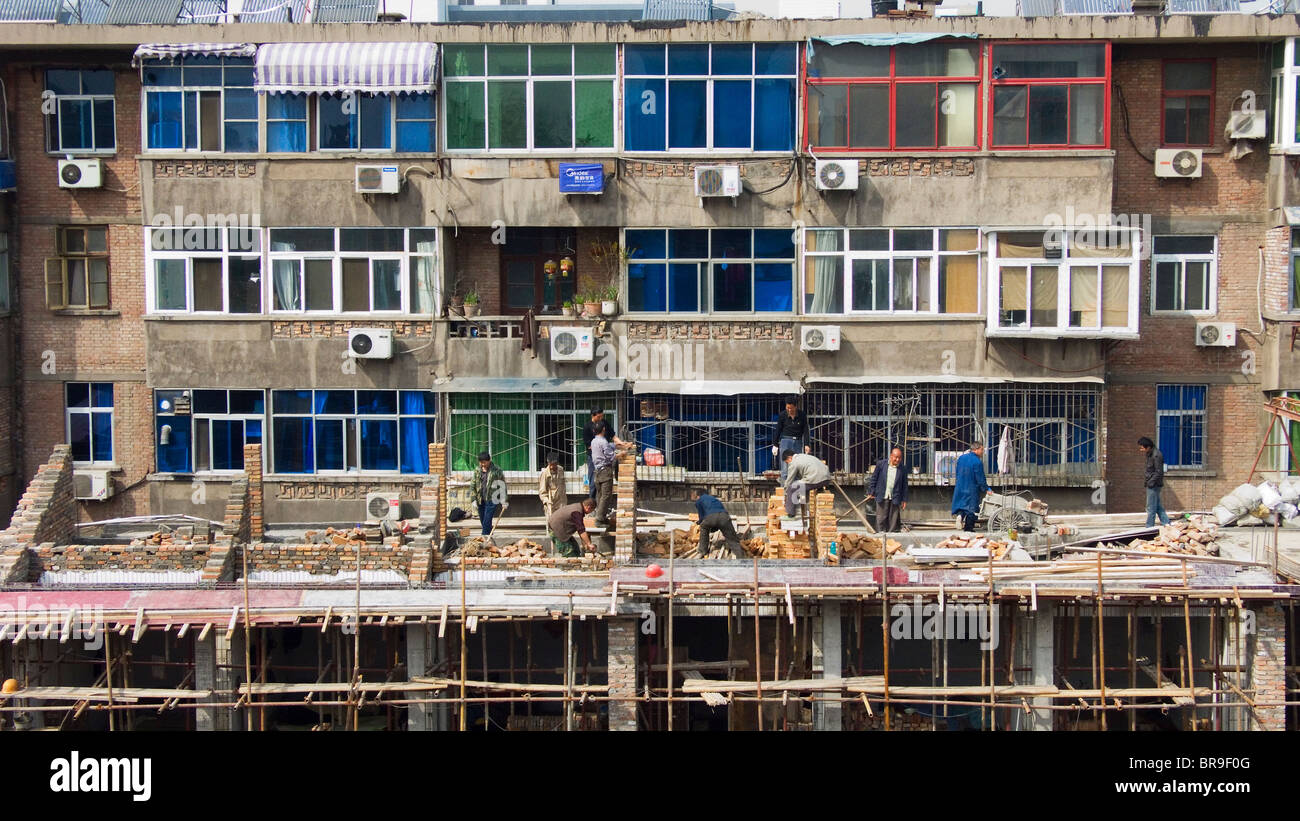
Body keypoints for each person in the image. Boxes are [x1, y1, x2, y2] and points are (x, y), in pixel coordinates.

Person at [582, 408, 628, 500]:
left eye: (602, 416)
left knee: (606, 483)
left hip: (606, 459)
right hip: (594, 458)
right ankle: (592, 503)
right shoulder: (587, 427)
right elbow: (589, 445)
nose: (601, 418)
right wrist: (606, 450)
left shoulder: (604, 423)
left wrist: (622, 444)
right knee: (593, 482)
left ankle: (602, 506)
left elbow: (613, 436)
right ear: (593, 415)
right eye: (599, 416)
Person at [690, 489, 745, 559]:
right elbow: (721, 512)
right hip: (724, 517)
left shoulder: (699, 501)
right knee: (732, 539)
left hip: (710, 518)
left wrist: (699, 522)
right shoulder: (714, 499)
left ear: (698, 496)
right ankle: (741, 557)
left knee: (703, 527)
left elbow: (702, 516)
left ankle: (702, 550)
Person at [866, 446, 908, 533]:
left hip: (895, 496)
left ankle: (891, 536)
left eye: (899, 458)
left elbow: (905, 485)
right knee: (881, 518)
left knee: (893, 519)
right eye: (896, 457)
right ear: (891, 456)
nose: (897, 460)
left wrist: (904, 499)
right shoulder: (881, 464)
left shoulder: (902, 469)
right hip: (882, 494)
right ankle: (880, 536)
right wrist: (871, 491)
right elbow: (874, 479)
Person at [951, 443, 990, 532]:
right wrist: (986, 488)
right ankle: (968, 528)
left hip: (960, 486)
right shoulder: (977, 461)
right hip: (972, 488)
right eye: (981, 450)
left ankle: (960, 516)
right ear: (976, 450)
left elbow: (957, 472)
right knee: (972, 508)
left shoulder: (961, 458)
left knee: (962, 504)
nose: (982, 452)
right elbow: (980, 478)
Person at [770, 397, 811, 481]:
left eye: (791, 408)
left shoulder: (802, 415)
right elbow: (778, 430)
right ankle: (785, 490)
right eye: (787, 407)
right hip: (785, 441)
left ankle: (797, 492)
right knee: (785, 468)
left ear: (795, 407)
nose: (789, 410)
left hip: (797, 442)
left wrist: (807, 444)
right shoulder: (782, 415)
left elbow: (806, 430)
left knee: (797, 466)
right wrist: (775, 444)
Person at [782, 449, 831, 518]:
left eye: (787, 462)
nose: (788, 464)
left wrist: (785, 494)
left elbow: (789, 480)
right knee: (802, 485)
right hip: (826, 479)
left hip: (815, 479)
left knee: (791, 488)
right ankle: (803, 506)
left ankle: (791, 514)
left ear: (790, 458)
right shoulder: (804, 456)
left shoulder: (794, 462)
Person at [470, 451, 507, 536]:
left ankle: (484, 539)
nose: (483, 464)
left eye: (484, 462)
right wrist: (473, 499)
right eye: (481, 462)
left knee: (487, 520)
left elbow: (502, 485)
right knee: (483, 521)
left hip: (492, 499)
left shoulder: (496, 470)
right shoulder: (477, 470)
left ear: (489, 460)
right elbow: (473, 485)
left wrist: (504, 500)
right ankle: (490, 537)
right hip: (480, 499)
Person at [1138, 436, 1171, 527]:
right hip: (1152, 483)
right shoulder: (1150, 454)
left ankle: (1149, 527)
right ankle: (1167, 523)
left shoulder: (1156, 455)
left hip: (1154, 484)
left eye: (1142, 448)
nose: (1141, 450)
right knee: (1157, 506)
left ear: (1148, 447)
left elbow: (1158, 472)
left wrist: (1150, 482)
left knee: (1151, 507)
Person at [590, 423, 618, 526]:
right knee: (606, 496)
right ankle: (599, 519)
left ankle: (602, 517)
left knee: (600, 495)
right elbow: (611, 457)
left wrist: (616, 445)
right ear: (604, 429)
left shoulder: (594, 441)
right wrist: (621, 455)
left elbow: (606, 447)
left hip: (597, 471)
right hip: (605, 471)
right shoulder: (603, 442)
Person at [538, 452, 566, 520]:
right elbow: (542, 492)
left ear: (557, 463)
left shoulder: (561, 470)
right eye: (550, 464)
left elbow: (563, 485)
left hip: (562, 502)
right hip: (551, 503)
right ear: (548, 463)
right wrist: (547, 501)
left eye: (554, 464)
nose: (552, 467)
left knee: (562, 521)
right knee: (551, 522)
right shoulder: (544, 473)